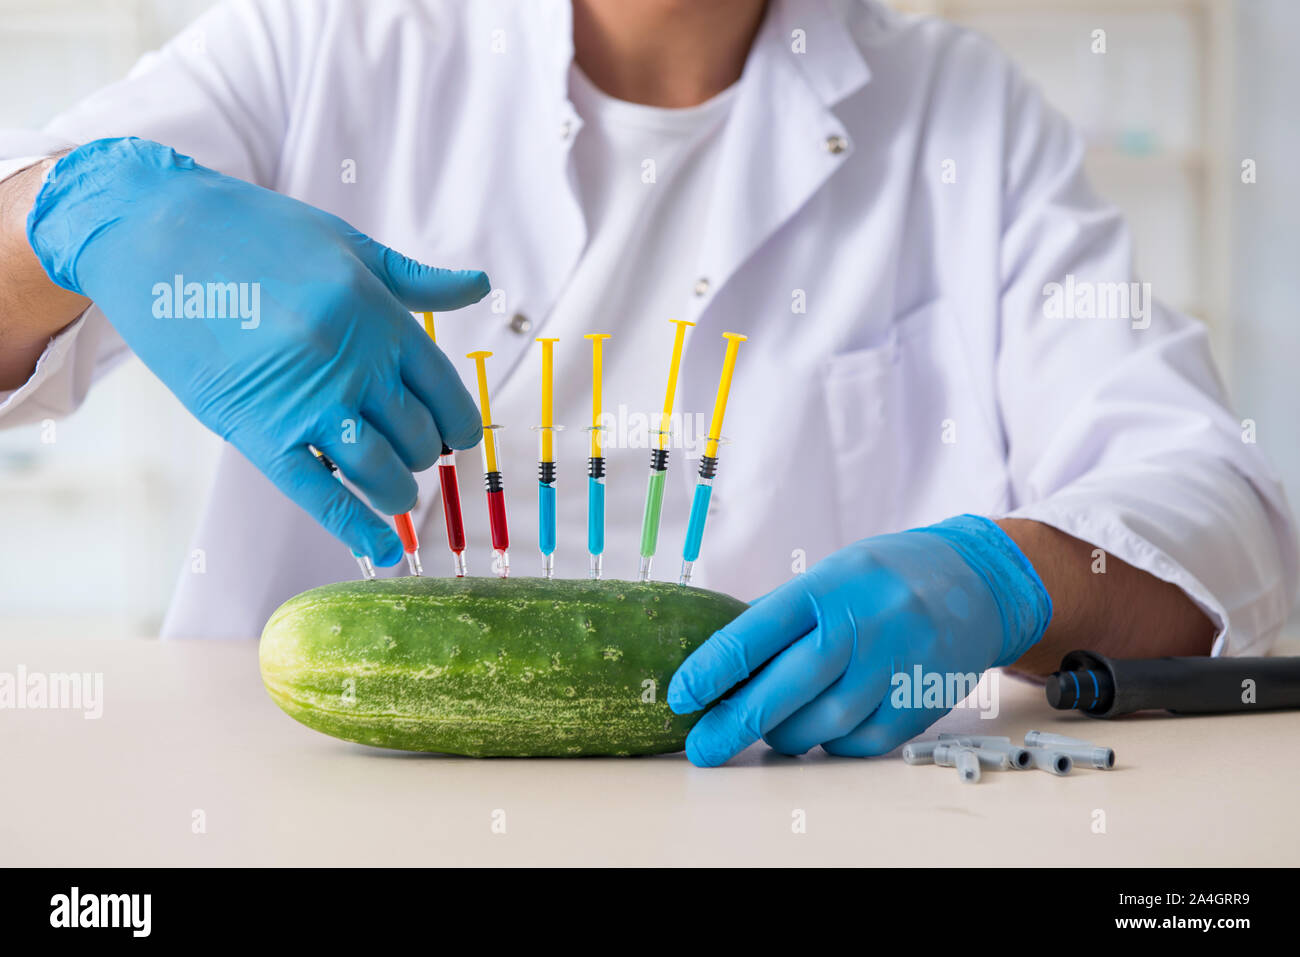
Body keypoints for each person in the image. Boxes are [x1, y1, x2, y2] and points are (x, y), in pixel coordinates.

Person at [0, 0, 1294, 767]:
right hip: (296, 811)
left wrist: (1007, 573)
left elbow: (1219, 503)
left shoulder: (966, 117)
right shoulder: (325, 39)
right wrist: (81, 212)